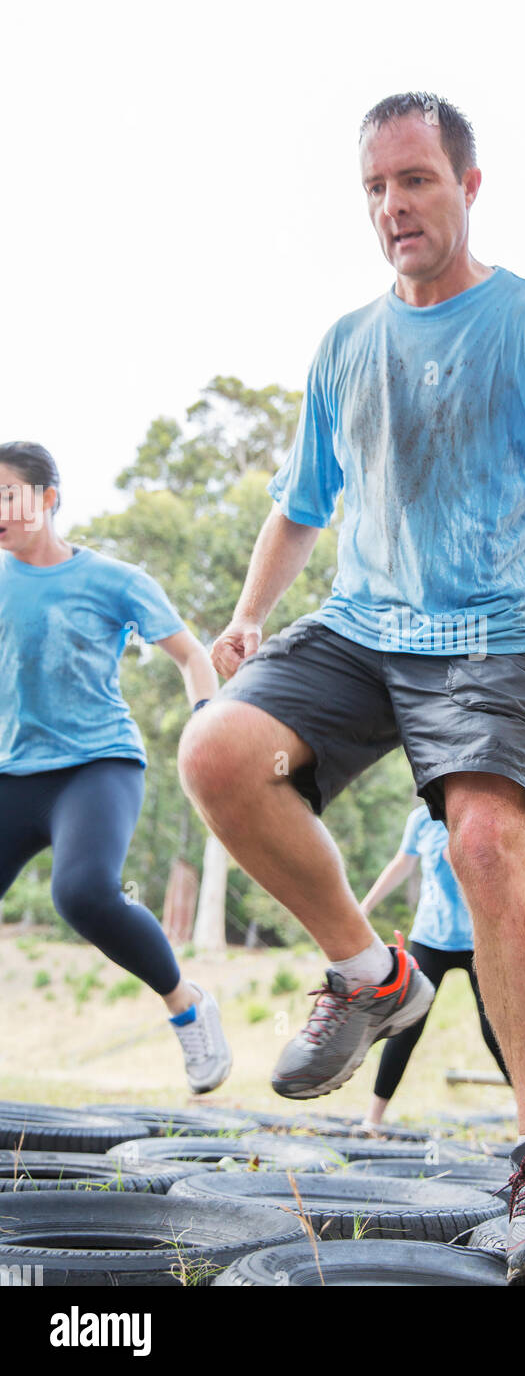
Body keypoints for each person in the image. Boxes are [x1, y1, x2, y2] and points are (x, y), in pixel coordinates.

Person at [177, 91, 525, 1283]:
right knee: (212, 750)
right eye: (374, 187)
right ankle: (372, 973)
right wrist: (252, 612)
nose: (394, 205)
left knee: (486, 844)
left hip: (489, 636)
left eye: (415, 179)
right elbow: (301, 504)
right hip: (360, 625)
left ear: (467, 184)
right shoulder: (345, 344)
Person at [0, 442, 232, 1093]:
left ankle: (187, 1004)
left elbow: (191, 657)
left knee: (80, 892)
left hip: (96, 767)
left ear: (47, 498)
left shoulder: (114, 580)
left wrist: (205, 717)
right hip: (12, 771)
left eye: (7, 494)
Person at [360, 803, 511, 1130]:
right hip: (431, 936)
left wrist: (464, 865)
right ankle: (373, 1119)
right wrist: (365, 906)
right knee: (407, 1024)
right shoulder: (420, 819)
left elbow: (505, 876)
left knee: (496, 1029)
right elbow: (403, 863)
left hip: (480, 937)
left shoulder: (483, 815)